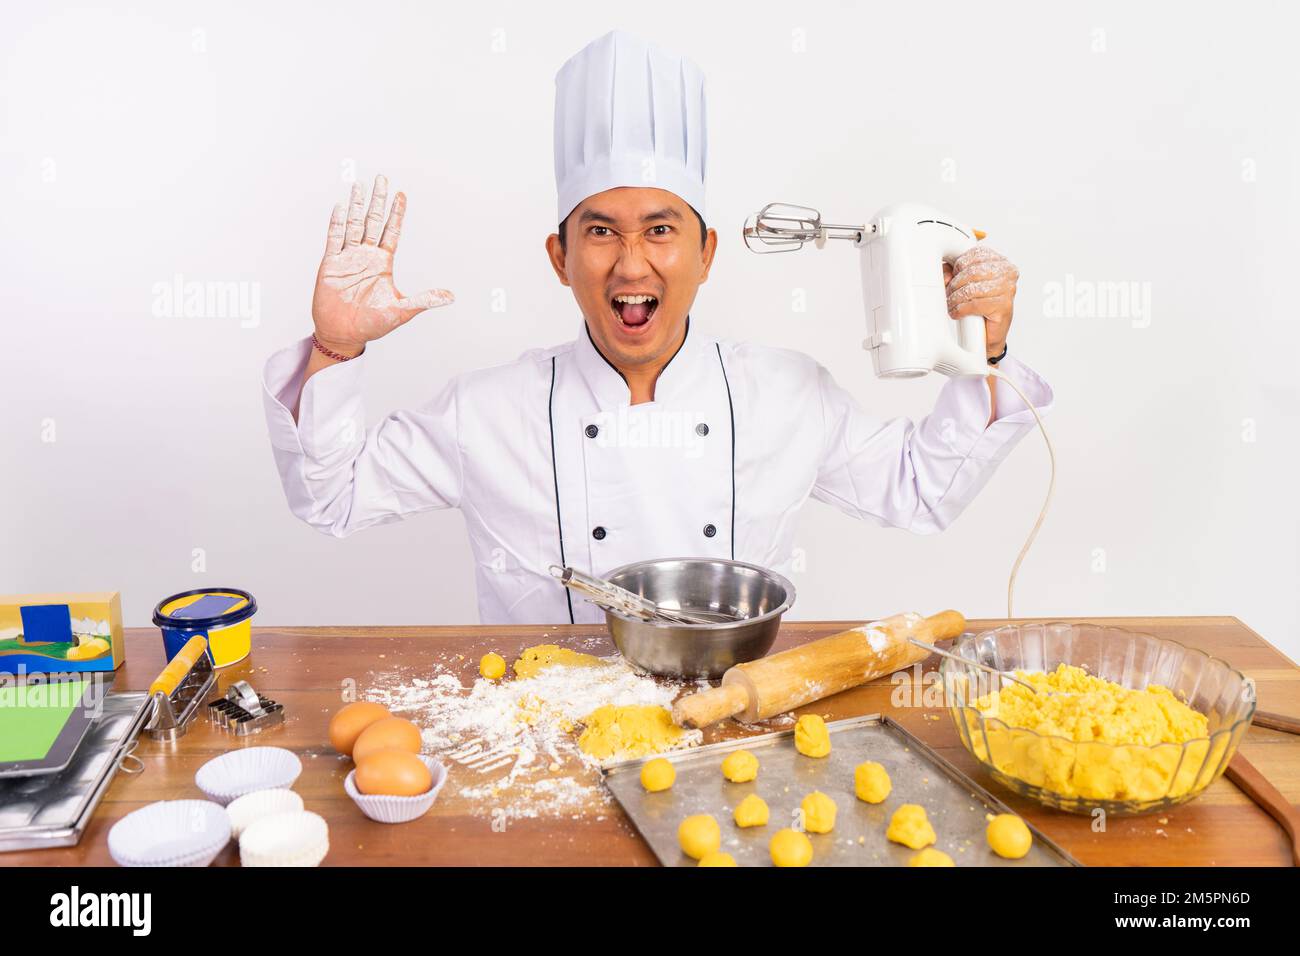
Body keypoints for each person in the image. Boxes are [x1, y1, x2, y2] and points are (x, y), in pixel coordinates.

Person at [260, 30, 1053, 624]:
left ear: (706, 254)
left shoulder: (787, 393)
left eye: (662, 230)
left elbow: (920, 493)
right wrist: (337, 346)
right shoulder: (484, 411)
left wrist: (988, 347)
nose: (632, 266)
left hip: (733, 728)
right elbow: (333, 500)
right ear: (558, 258)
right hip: (539, 745)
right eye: (601, 232)